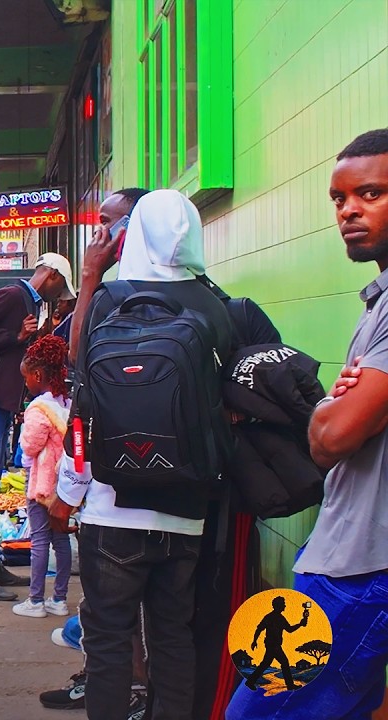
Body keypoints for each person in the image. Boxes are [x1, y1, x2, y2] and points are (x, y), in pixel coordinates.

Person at [54, 189, 234, 720]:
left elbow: (81, 386)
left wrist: (67, 491)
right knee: (173, 634)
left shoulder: (111, 298)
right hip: (188, 511)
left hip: (113, 508)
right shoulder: (218, 306)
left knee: (108, 636)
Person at [228, 128, 388, 719]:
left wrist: (328, 412)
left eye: (370, 193)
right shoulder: (378, 300)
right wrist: (333, 409)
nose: (349, 211)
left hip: (360, 570)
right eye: (339, 198)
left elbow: (330, 438)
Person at [39, 187, 151, 716]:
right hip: (171, 503)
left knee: (114, 618)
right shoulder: (205, 299)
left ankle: (125, 695)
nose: (99, 234)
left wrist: (68, 491)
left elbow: (80, 371)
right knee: (158, 624)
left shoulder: (111, 297)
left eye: (108, 222)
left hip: (117, 497)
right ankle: (143, 696)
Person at [0, 251, 75, 600]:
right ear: (51, 275)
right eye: (59, 288)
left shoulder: (28, 301)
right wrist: (15, 336)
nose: (57, 296)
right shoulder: (12, 295)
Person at [11, 335, 72, 619]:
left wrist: (24, 432)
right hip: (63, 487)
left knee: (39, 541)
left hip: (41, 484)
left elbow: (31, 446)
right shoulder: (67, 402)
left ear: (37, 375)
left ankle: (35, 600)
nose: (25, 384)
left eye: (26, 378)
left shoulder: (38, 408)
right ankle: (59, 599)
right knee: (61, 540)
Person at [244, 596, 308, 692]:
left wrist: (300, 624)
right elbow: (259, 628)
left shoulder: (278, 617)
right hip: (273, 645)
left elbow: (289, 629)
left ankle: (250, 681)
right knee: (284, 662)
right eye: (283, 604)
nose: (285, 606)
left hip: (273, 645)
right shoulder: (272, 617)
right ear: (278, 605)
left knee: (265, 664)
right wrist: (254, 641)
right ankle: (290, 685)